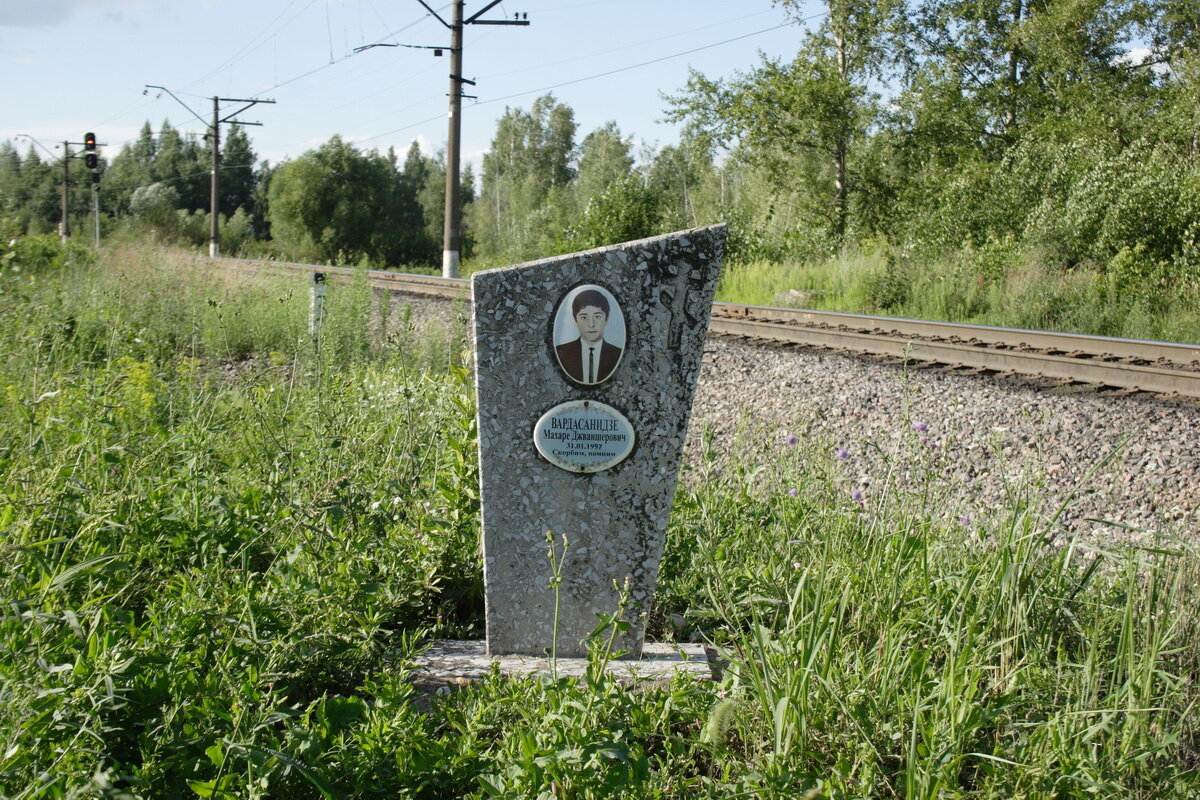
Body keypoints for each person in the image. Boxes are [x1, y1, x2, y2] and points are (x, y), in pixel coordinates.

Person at [555, 289, 623, 384]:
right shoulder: (562, 352)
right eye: (584, 317)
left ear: (606, 319)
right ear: (575, 321)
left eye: (597, 317)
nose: (591, 324)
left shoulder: (617, 354)